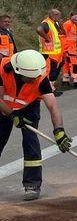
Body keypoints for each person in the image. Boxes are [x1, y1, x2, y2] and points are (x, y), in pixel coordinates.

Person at [0, 50, 72, 201]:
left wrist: (59, 131)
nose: (34, 80)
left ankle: (32, 185)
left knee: (31, 141)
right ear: (18, 72)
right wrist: (12, 115)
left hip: (29, 106)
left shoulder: (40, 79)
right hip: (3, 106)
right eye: (30, 78)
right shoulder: (2, 69)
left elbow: (53, 107)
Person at [37, 8, 65, 95]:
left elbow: (63, 33)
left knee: (53, 72)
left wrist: (61, 26)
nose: (59, 17)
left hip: (55, 53)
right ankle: (49, 90)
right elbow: (39, 30)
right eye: (57, 15)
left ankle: (51, 88)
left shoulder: (54, 23)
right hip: (48, 53)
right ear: (52, 15)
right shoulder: (46, 23)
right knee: (49, 73)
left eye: (59, 15)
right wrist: (47, 38)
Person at [60, 11, 77, 89]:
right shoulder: (67, 24)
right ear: (70, 16)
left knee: (67, 65)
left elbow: (70, 37)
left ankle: (65, 80)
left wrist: (76, 39)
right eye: (75, 17)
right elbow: (62, 36)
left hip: (71, 48)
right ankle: (76, 81)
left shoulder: (73, 25)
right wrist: (65, 49)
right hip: (68, 49)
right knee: (74, 65)